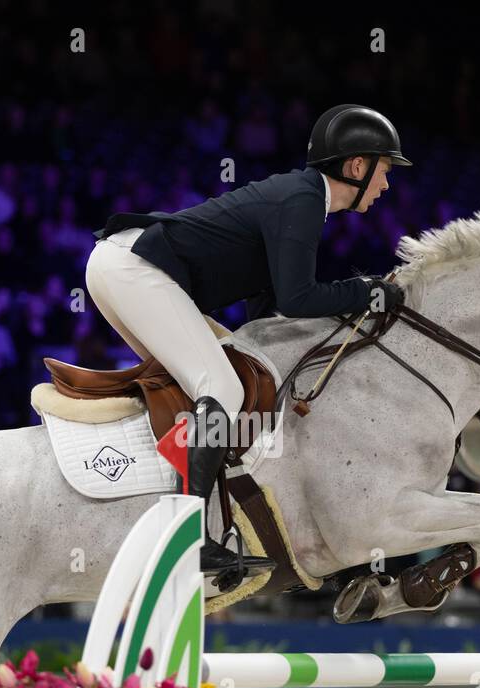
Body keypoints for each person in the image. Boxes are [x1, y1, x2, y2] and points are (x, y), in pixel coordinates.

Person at [86, 104, 411, 578]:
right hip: (135, 269)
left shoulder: (301, 199)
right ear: (356, 167)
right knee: (221, 388)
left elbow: (268, 309)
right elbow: (299, 297)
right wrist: (370, 290)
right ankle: (187, 537)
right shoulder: (302, 200)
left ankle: (169, 509)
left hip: (125, 267)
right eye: (384, 171)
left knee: (230, 376)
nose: (386, 186)